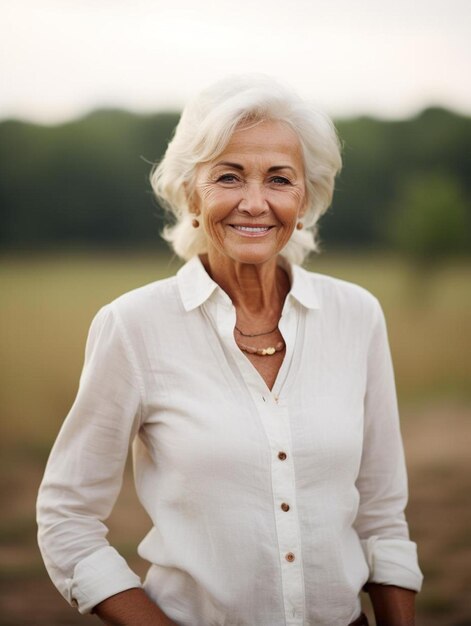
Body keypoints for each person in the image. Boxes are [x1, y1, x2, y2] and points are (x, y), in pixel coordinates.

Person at [37, 75, 423, 626]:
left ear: (305, 197)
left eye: (279, 179)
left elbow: (383, 512)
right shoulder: (133, 325)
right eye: (228, 176)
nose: (255, 202)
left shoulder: (357, 316)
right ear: (191, 195)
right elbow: (66, 519)